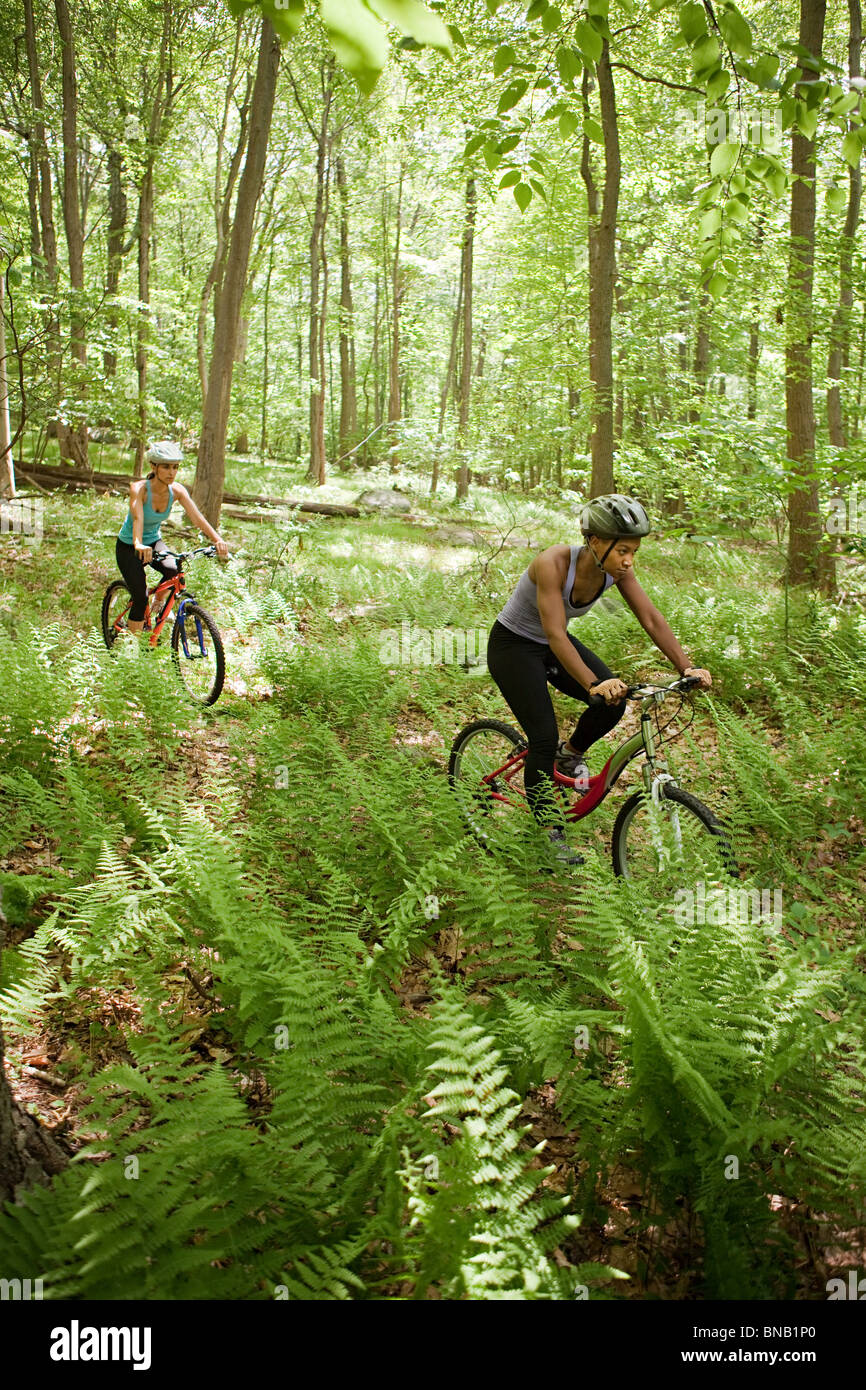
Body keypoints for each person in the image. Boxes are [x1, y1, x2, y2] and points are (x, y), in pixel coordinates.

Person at [486, 493, 712, 864]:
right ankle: (547, 830)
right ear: (594, 541)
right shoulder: (553, 563)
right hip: (513, 646)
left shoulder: (616, 571)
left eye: (634, 551)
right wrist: (593, 683)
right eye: (623, 549)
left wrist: (686, 667)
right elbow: (556, 633)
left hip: (549, 643)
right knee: (542, 736)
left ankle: (569, 755)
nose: (629, 560)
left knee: (614, 702)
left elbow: (650, 618)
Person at [115, 441, 228, 638]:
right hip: (129, 545)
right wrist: (138, 543)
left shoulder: (177, 491)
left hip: (153, 540)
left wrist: (217, 539)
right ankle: (131, 649)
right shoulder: (139, 488)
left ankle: (158, 605)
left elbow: (197, 518)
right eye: (166, 466)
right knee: (140, 597)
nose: (171, 472)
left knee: (172, 570)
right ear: (153, 466)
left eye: (175, 467)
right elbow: (137, 518)